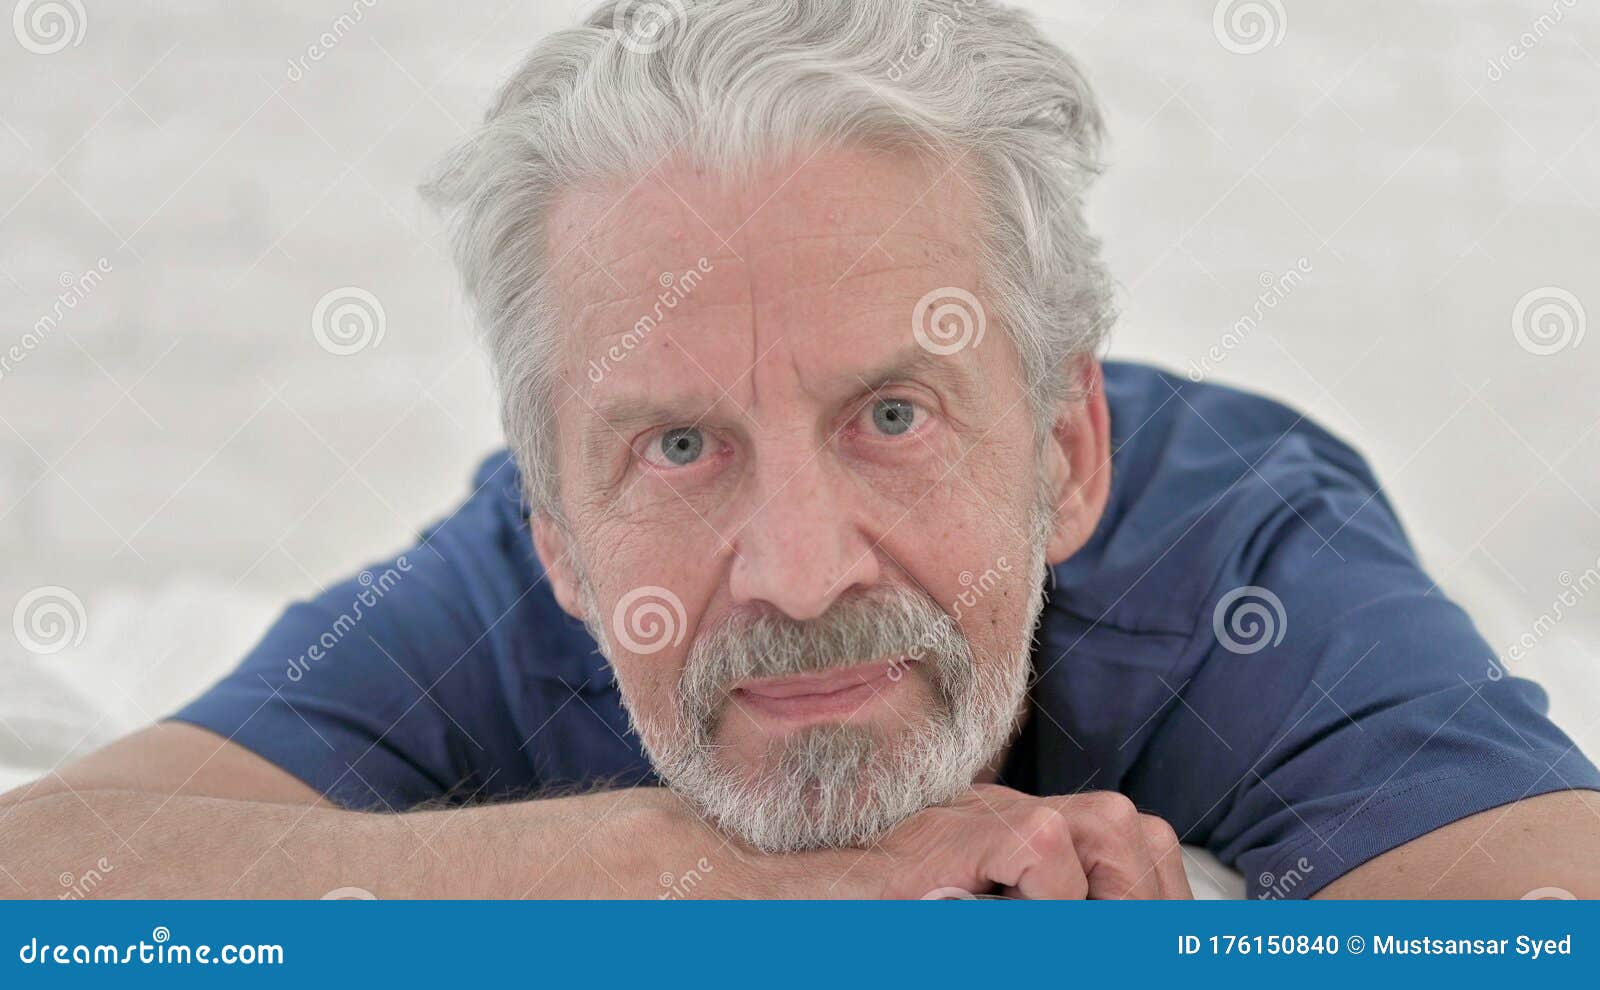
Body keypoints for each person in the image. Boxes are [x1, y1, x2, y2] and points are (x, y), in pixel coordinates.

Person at [4, 0, 1596, 899]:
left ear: (1062, 453)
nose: (797, 567)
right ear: (553, 529)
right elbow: (46, 876)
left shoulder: (1240, 565)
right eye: (682, 443)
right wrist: (695, 867)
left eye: (893, 418)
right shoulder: (512, 590)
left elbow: (1550, 919)